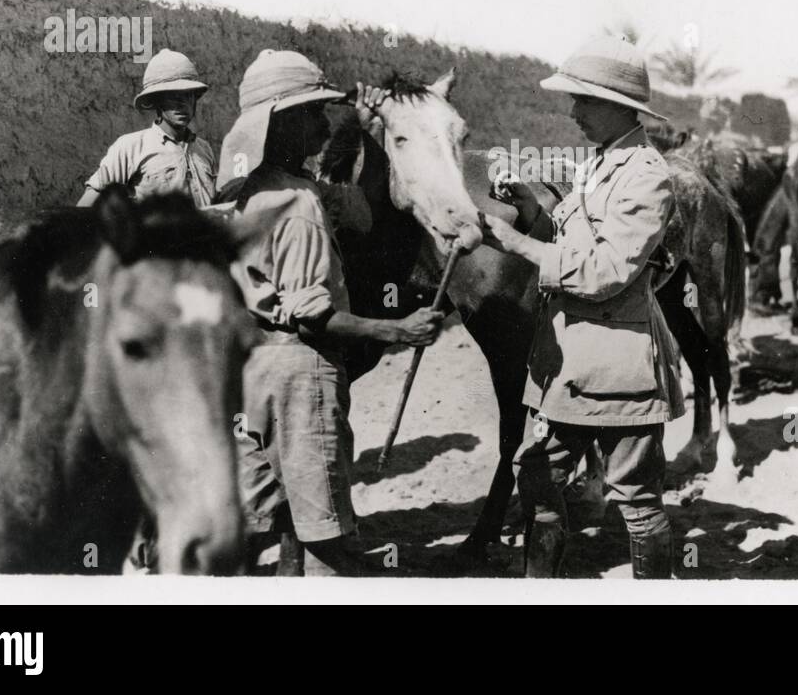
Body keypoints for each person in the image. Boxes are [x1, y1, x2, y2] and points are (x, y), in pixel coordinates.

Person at [219, 49, 445, 576]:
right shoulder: (300, 208)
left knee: (263, 530)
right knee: (329, 542)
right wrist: (397, 329)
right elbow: (312, 317)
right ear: (283, 125)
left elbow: (360, 213)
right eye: (313, 114)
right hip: (302, 375)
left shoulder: (251, 194)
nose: (325, 124)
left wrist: (364, 132)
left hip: (253, 374)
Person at [481, 35, 684, 579]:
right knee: (540, 478)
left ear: (619, 105)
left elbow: (607, 271)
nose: (572, 112)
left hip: (619, 368)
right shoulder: (601, 164)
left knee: (636, 500)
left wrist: (516, 244)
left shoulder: (646, 175)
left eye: (582, 100)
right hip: (568, 361)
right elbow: (574, 245)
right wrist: (528, 209)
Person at [78, 48, 217, 208]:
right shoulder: (131, 147)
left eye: (188, 95)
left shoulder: (204, 150)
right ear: (157, 101)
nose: (182, 104)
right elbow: (87, 203)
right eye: (173, 96)